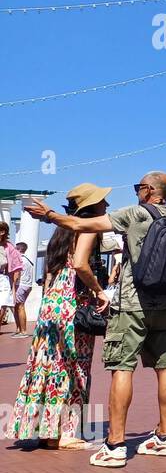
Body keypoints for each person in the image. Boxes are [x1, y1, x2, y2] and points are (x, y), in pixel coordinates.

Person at [27, 171, 166, 468]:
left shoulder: (135, 213)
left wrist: (48, 214)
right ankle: (164, 438)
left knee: (122, 368)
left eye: (138, 187)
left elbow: (79, 224)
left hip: (132, 302)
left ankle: (115, 444)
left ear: (148, 190)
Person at [8, 184, 112, 449]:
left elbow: (52, 274)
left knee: (48, 366)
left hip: (52, 306)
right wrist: (99, 291)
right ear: (90, 208)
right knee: (74, 367)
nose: (107, 206)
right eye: (102, 202)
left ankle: (47, 430)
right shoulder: (86, 227)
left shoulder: (60, 233)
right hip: (73, 305)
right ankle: (66, 432)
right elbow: (80, 264)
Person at [12, 240, 35, 338]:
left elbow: (17, 274)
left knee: (20, 307)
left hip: (21, 285)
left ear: (18, 250)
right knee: (17, 307)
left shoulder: (19, 260)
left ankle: (23, 331)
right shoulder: (28, 260)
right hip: (28, 285)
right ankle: (19, 329)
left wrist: (13, 285)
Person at [0, 220, 19, 332]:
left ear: (2, 232)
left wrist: (14, 286)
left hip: (2, 278)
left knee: (2, 304)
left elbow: (16, 266)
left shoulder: (9, 247)